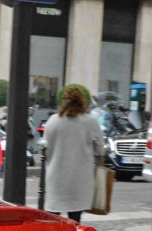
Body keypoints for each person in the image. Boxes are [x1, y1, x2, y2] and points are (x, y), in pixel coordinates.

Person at [42, 85, 105, 222]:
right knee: (75, 220)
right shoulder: (90, 122)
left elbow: (46, 147)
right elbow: (100, 150)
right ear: (82, 102)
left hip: (56, 177)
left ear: (63, 101)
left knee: (53, 221)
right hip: (80, 179)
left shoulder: (53, 121)